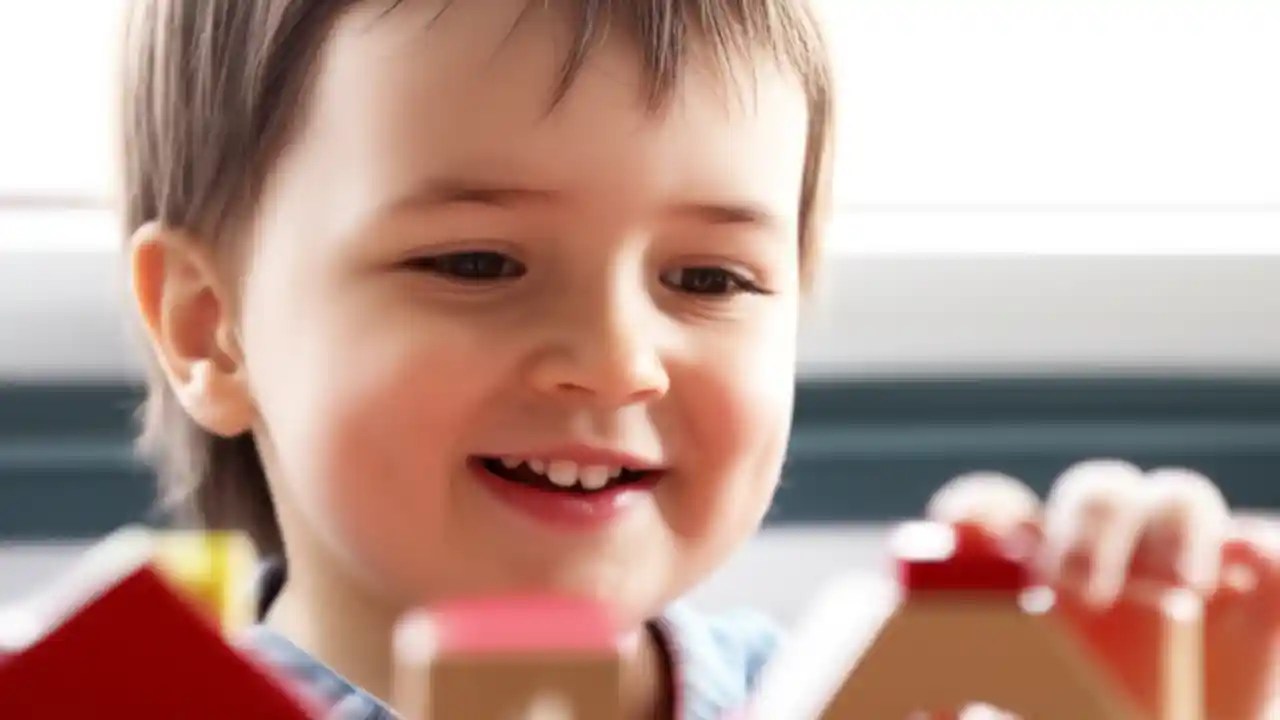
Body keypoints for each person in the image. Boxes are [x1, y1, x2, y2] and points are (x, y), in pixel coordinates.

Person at [116, 1, 1279, 717]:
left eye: (707, 280)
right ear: (210, 327)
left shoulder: (839, 695)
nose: (619, 362)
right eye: (474, 264)